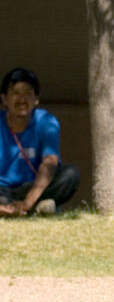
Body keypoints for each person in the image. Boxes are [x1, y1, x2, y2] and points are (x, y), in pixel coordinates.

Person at [0, 66, 80, 216]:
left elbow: (50, 163)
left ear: (36, 99)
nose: (22, 99)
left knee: (70, 174)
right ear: (4, 99)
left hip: (34, 187)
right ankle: (36, 208)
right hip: (2, 190)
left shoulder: (46, 121)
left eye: (28, 93)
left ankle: (29, 207)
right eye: (15, 93)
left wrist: (27, 202)